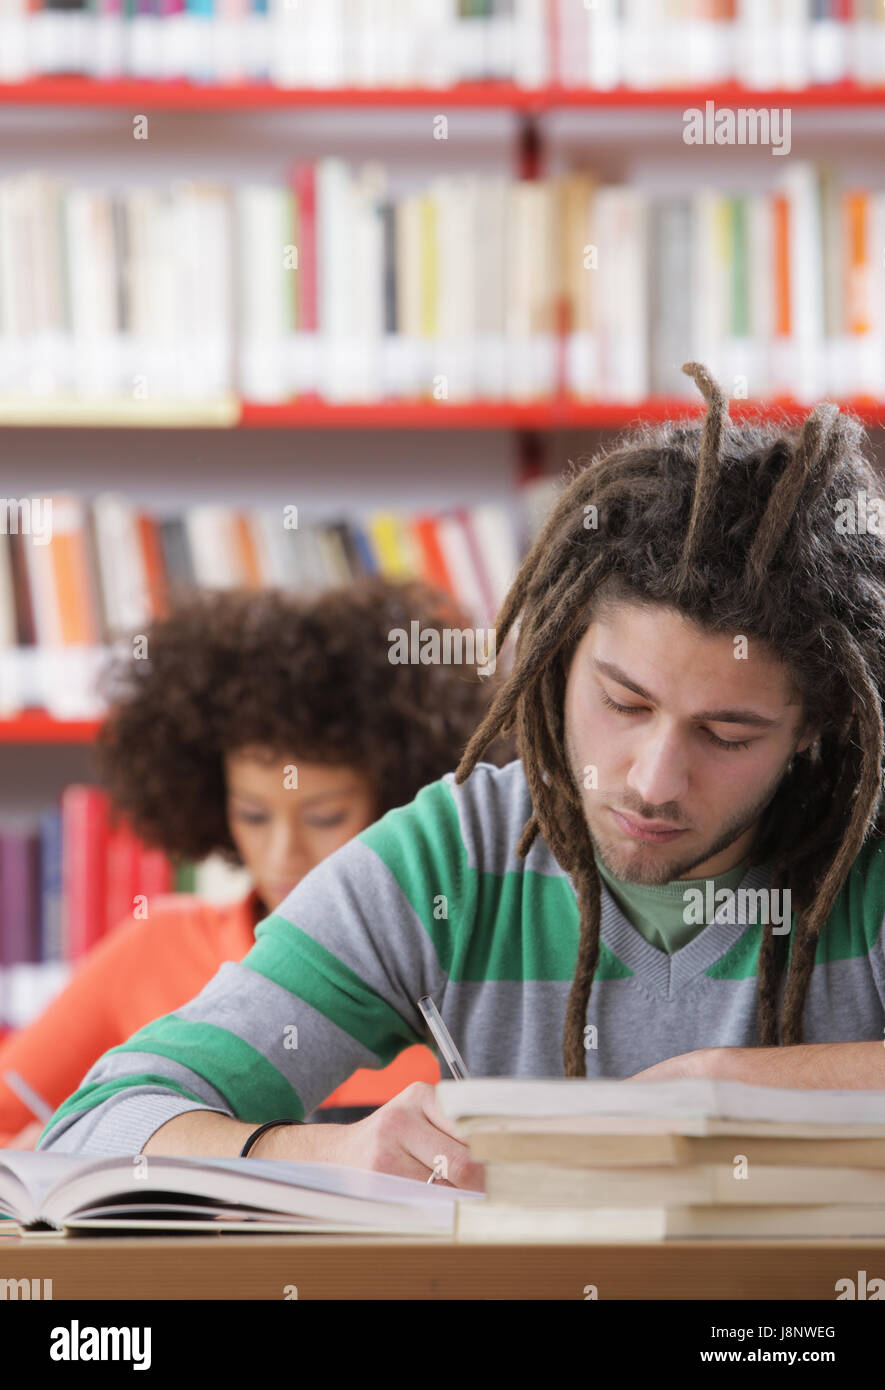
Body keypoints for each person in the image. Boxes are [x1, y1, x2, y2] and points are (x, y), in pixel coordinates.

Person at [36, 364, 885, 1193]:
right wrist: (319, 1157)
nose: (654, 780)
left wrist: (728, 1091)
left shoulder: (867, 853)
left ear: (816, 727)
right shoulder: (448, 860)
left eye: (726, 732)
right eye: (623, 704)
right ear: (554, 660)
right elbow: (93, 1128)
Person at [1, 576, 505, 1147]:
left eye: (323, 817)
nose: (282, 853)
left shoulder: (444, 959)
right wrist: (49, 1147)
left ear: (399, 807)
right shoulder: (152, 947)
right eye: (254, 816)